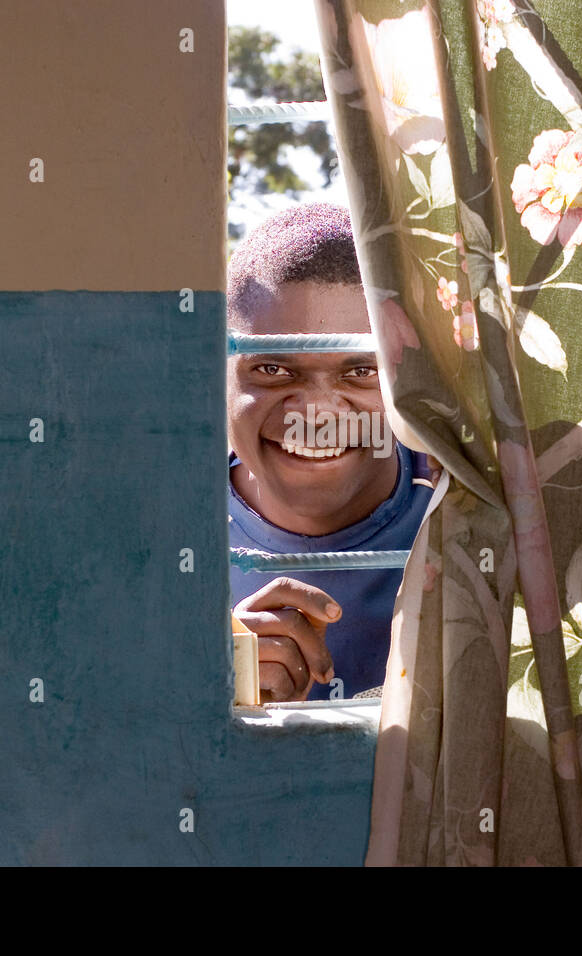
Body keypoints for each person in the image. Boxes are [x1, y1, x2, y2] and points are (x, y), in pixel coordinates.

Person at [226, 203, 438, 703]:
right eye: (274, 370)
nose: (316, 413)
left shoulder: (470, 514)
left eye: (362, 371)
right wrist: (200, 696)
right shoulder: (157, 545)